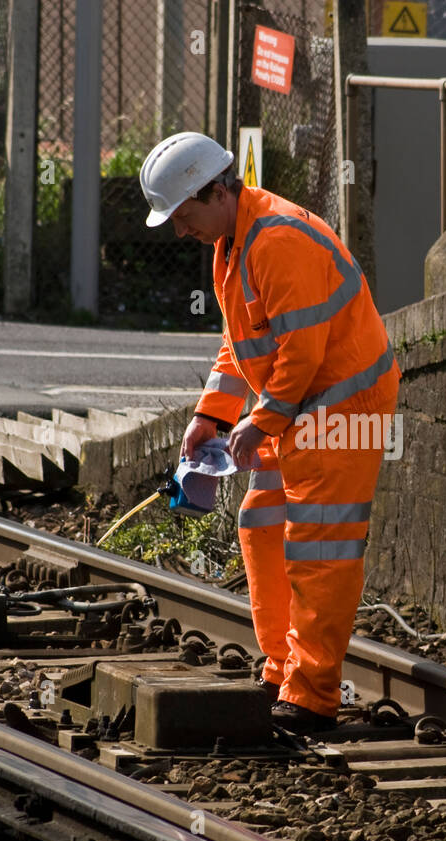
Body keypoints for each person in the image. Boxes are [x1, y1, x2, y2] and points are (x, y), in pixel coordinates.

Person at [140, 132, 399, 734]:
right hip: (304, 404)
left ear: (216, 190)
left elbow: (301, 353)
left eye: (183, 216)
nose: (181, 231)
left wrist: (263, 419)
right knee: (259, 525)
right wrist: (215, 415)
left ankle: (311, 698)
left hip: (342, 407)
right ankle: (283, 667)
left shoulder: (275, 241)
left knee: (318, 549)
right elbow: (242, 342)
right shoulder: (232, 242)